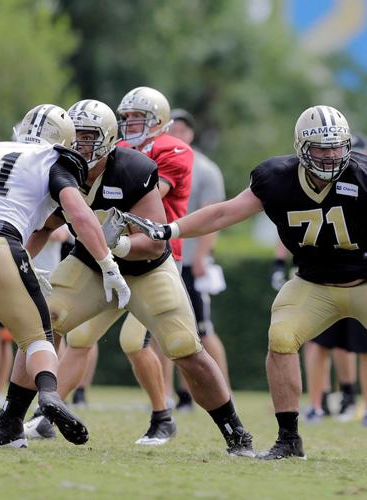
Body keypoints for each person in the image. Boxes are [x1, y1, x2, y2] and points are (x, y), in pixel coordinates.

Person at [125, 105, 367, 462]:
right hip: (313, 283)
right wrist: (171, 229)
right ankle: (289, 439)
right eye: (321, 148)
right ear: (302, 147)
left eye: (336, 147)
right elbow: (225, 212)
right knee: (280, 337)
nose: (330, 155)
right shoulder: (276, 178)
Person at [20, 99, 254, 456]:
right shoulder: (59, 167)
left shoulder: (137, 166)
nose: (80, 143)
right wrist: (18, 259)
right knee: (43, 322)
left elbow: (153, 240)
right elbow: (45, 225)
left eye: (89, 136)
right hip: (90, 264)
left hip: (147, 266)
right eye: (75, 135)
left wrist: (122, 245)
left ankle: (234, 430)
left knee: (183, 347)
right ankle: (18, 418)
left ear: (108, 138)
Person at [0, 104, 131, 448]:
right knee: (38, 334)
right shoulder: (52, 160)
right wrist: (109, 264)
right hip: (6, 250)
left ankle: (12, 420)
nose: (81, 144)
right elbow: (78, 215)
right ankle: (49, 393)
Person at [273, 132, 367, 428]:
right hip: (322, 277)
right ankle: (317, 404)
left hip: (364, 276)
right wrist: (279, 262)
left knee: (364, 346)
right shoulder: (315, 186)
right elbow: (289, 225)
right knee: (320, 343)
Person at [166, 108, 229, 410]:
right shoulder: (158, 162)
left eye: (181, 129)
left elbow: (214, 217)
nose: (176, 134)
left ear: (190, 134)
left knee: (202, 329)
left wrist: (203, 255)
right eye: (172, 129)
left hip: (190, 260)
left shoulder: (205, 169)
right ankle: (168, 395)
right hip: (165, 259)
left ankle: (222, 390)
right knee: (161, 331)